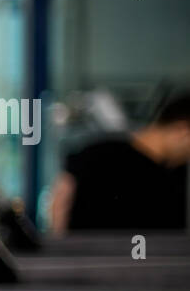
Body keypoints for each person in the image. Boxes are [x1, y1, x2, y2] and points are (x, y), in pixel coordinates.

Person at [48, 92, 190, 234]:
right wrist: (62, 248)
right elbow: (61, 200)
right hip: (90, 253)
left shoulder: (178, 173)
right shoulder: (100, 155)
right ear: (182, 130)